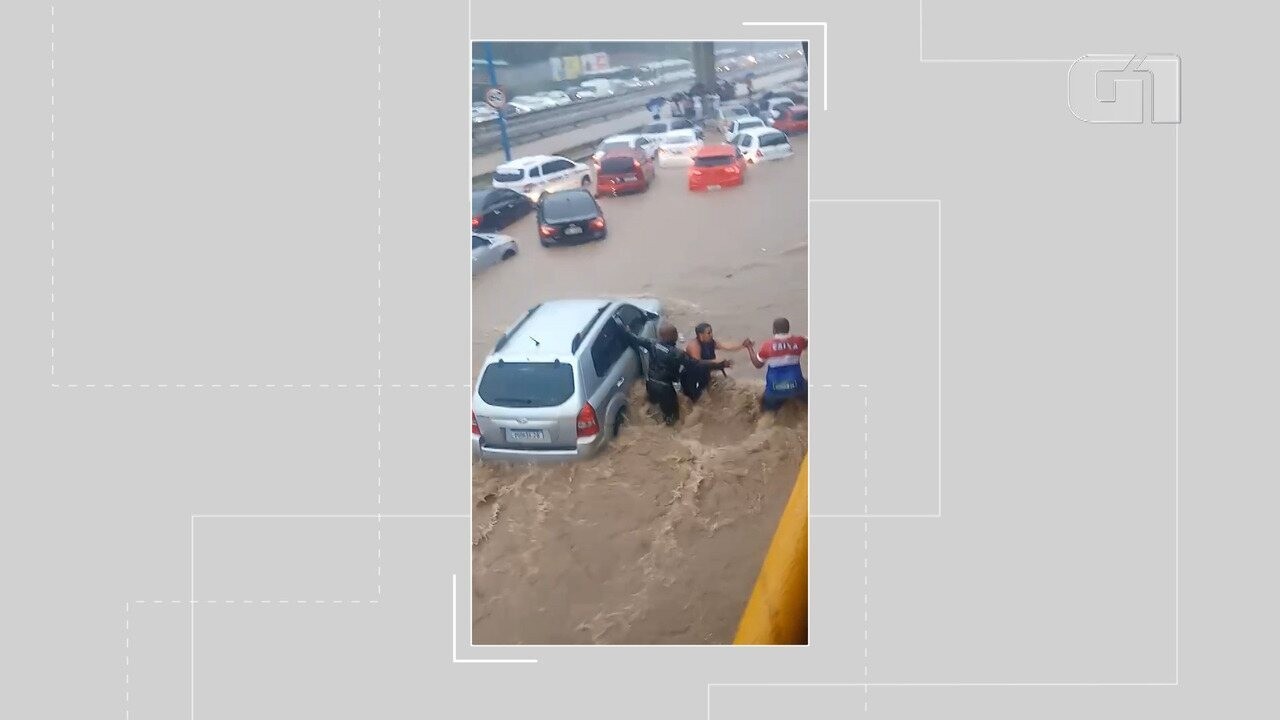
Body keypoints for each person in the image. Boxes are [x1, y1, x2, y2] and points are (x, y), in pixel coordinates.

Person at [612, 315, 730, 425]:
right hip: (665, 389)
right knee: (672, 421)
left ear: (661, 336)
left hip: (650, 384)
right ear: (675, 337)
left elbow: (634, 339)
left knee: (651, 409)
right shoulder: (677, 354)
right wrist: (718, 365)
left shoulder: (652, 343)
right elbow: (697, 364)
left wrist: (619, 324)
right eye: (676, 333)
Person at [744, 317, 808, 411]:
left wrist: (749, 347)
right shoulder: (799, 341)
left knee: (765, 413)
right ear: (788, 328)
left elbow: (757, 364)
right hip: (796, 387)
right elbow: (807, 342)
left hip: (775, 389)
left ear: (774, 330)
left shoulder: (767, 345)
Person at [681, 322, 746, 401]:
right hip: (691, 378)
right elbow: (697, 364)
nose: (711, 334)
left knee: (710, 395)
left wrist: (742, 345)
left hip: (704, 374)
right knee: (695, 400)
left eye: (711, 332)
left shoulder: (711, 342)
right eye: (709, 333)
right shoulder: (694, 346)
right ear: (701, 335)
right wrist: (716, 362)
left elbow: (726, 347)